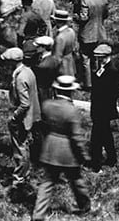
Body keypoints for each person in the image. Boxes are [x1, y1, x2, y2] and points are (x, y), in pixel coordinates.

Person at [31, 76, 91, 221]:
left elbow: (43, 127)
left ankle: (38, 214)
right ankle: (84, 207)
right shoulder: (72, 111)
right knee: (76, 180)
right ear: (71, 91)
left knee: (47, 182)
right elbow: (77, 137)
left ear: (56, 89)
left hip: (50, 149)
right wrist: (84, 155)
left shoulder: (47, 105)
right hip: (68, 153)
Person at [3, 47, 41, 198]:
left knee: (20, 148)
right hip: (30, 116)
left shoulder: (19, 78)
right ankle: (24, 173)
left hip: (21, 118)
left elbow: (24, 104)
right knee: (24, 145)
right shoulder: (28, 71)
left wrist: (14, 117)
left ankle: (19, 179)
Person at [88, 44, 119, 170]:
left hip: (102, 109)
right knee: (106, 134)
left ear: (105, 57)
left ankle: (96, 165)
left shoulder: (112, 70)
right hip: (100, 108)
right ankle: (112, 159)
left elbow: (115, 92)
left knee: (96, 137)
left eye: (99, 57)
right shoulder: (103, 67)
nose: (97, 59)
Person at [79, 0, 110, 87]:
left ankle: (88, 84)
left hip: (87, 34)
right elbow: (106, 15)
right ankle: (98, 80)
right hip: (100, 33)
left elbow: (84, 18)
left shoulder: (85, 0)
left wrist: (76, 17)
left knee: (85, 59)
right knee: (97, 57)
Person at [52, 9, 78, 77]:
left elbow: (57, 58)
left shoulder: (60, 37)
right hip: (71, 63)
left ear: (56, 21)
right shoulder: (71, 31)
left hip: (63, 67)